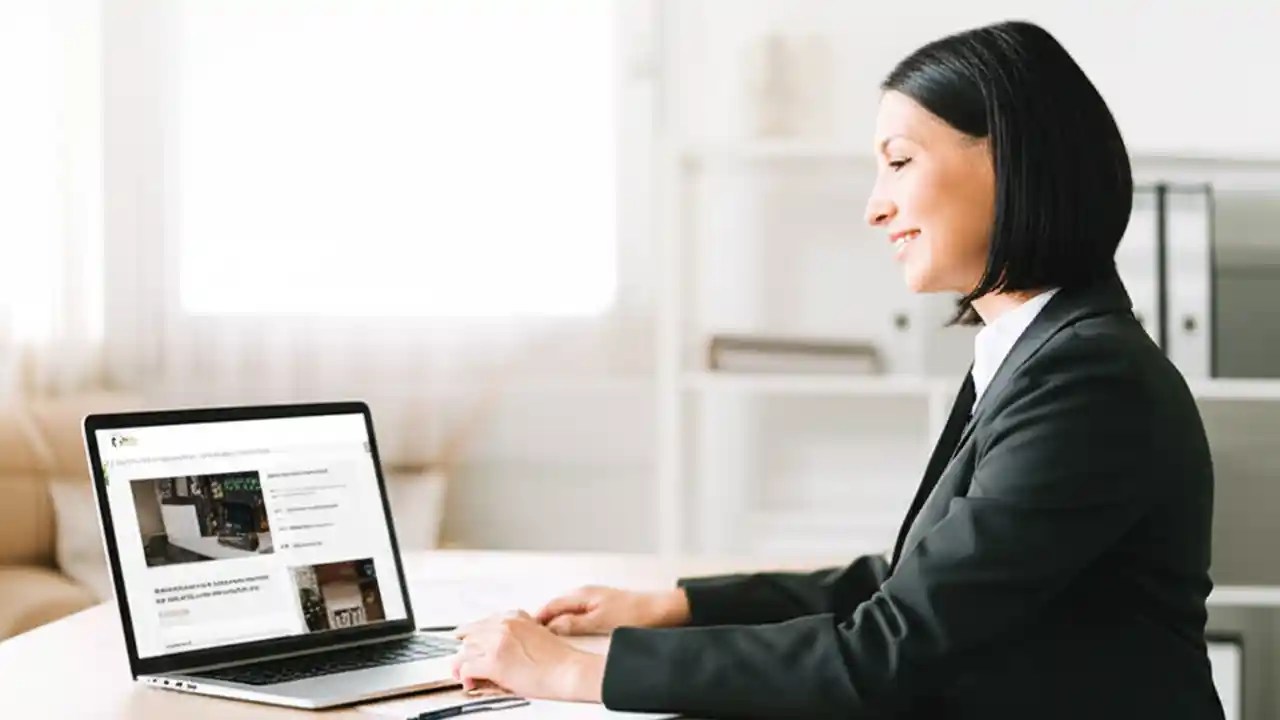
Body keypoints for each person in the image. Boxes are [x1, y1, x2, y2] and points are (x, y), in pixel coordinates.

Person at [450, 20, 1224, 719]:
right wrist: (672, 607)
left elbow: (885, 649)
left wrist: (575, 674)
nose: (875, 207)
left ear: (1013, 159)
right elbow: (903, 585)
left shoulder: (1086, 382)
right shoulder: (1041, 353)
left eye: (899, 162)